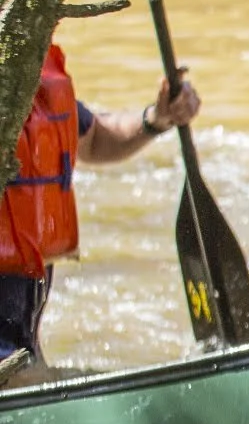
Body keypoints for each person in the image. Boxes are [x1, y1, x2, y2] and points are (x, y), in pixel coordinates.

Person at [0, 42, 201, 382]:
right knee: (33, 378)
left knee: (33, 370)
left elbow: (93, 138)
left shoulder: (26, 64)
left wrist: (156, 119)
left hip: (18, 338)